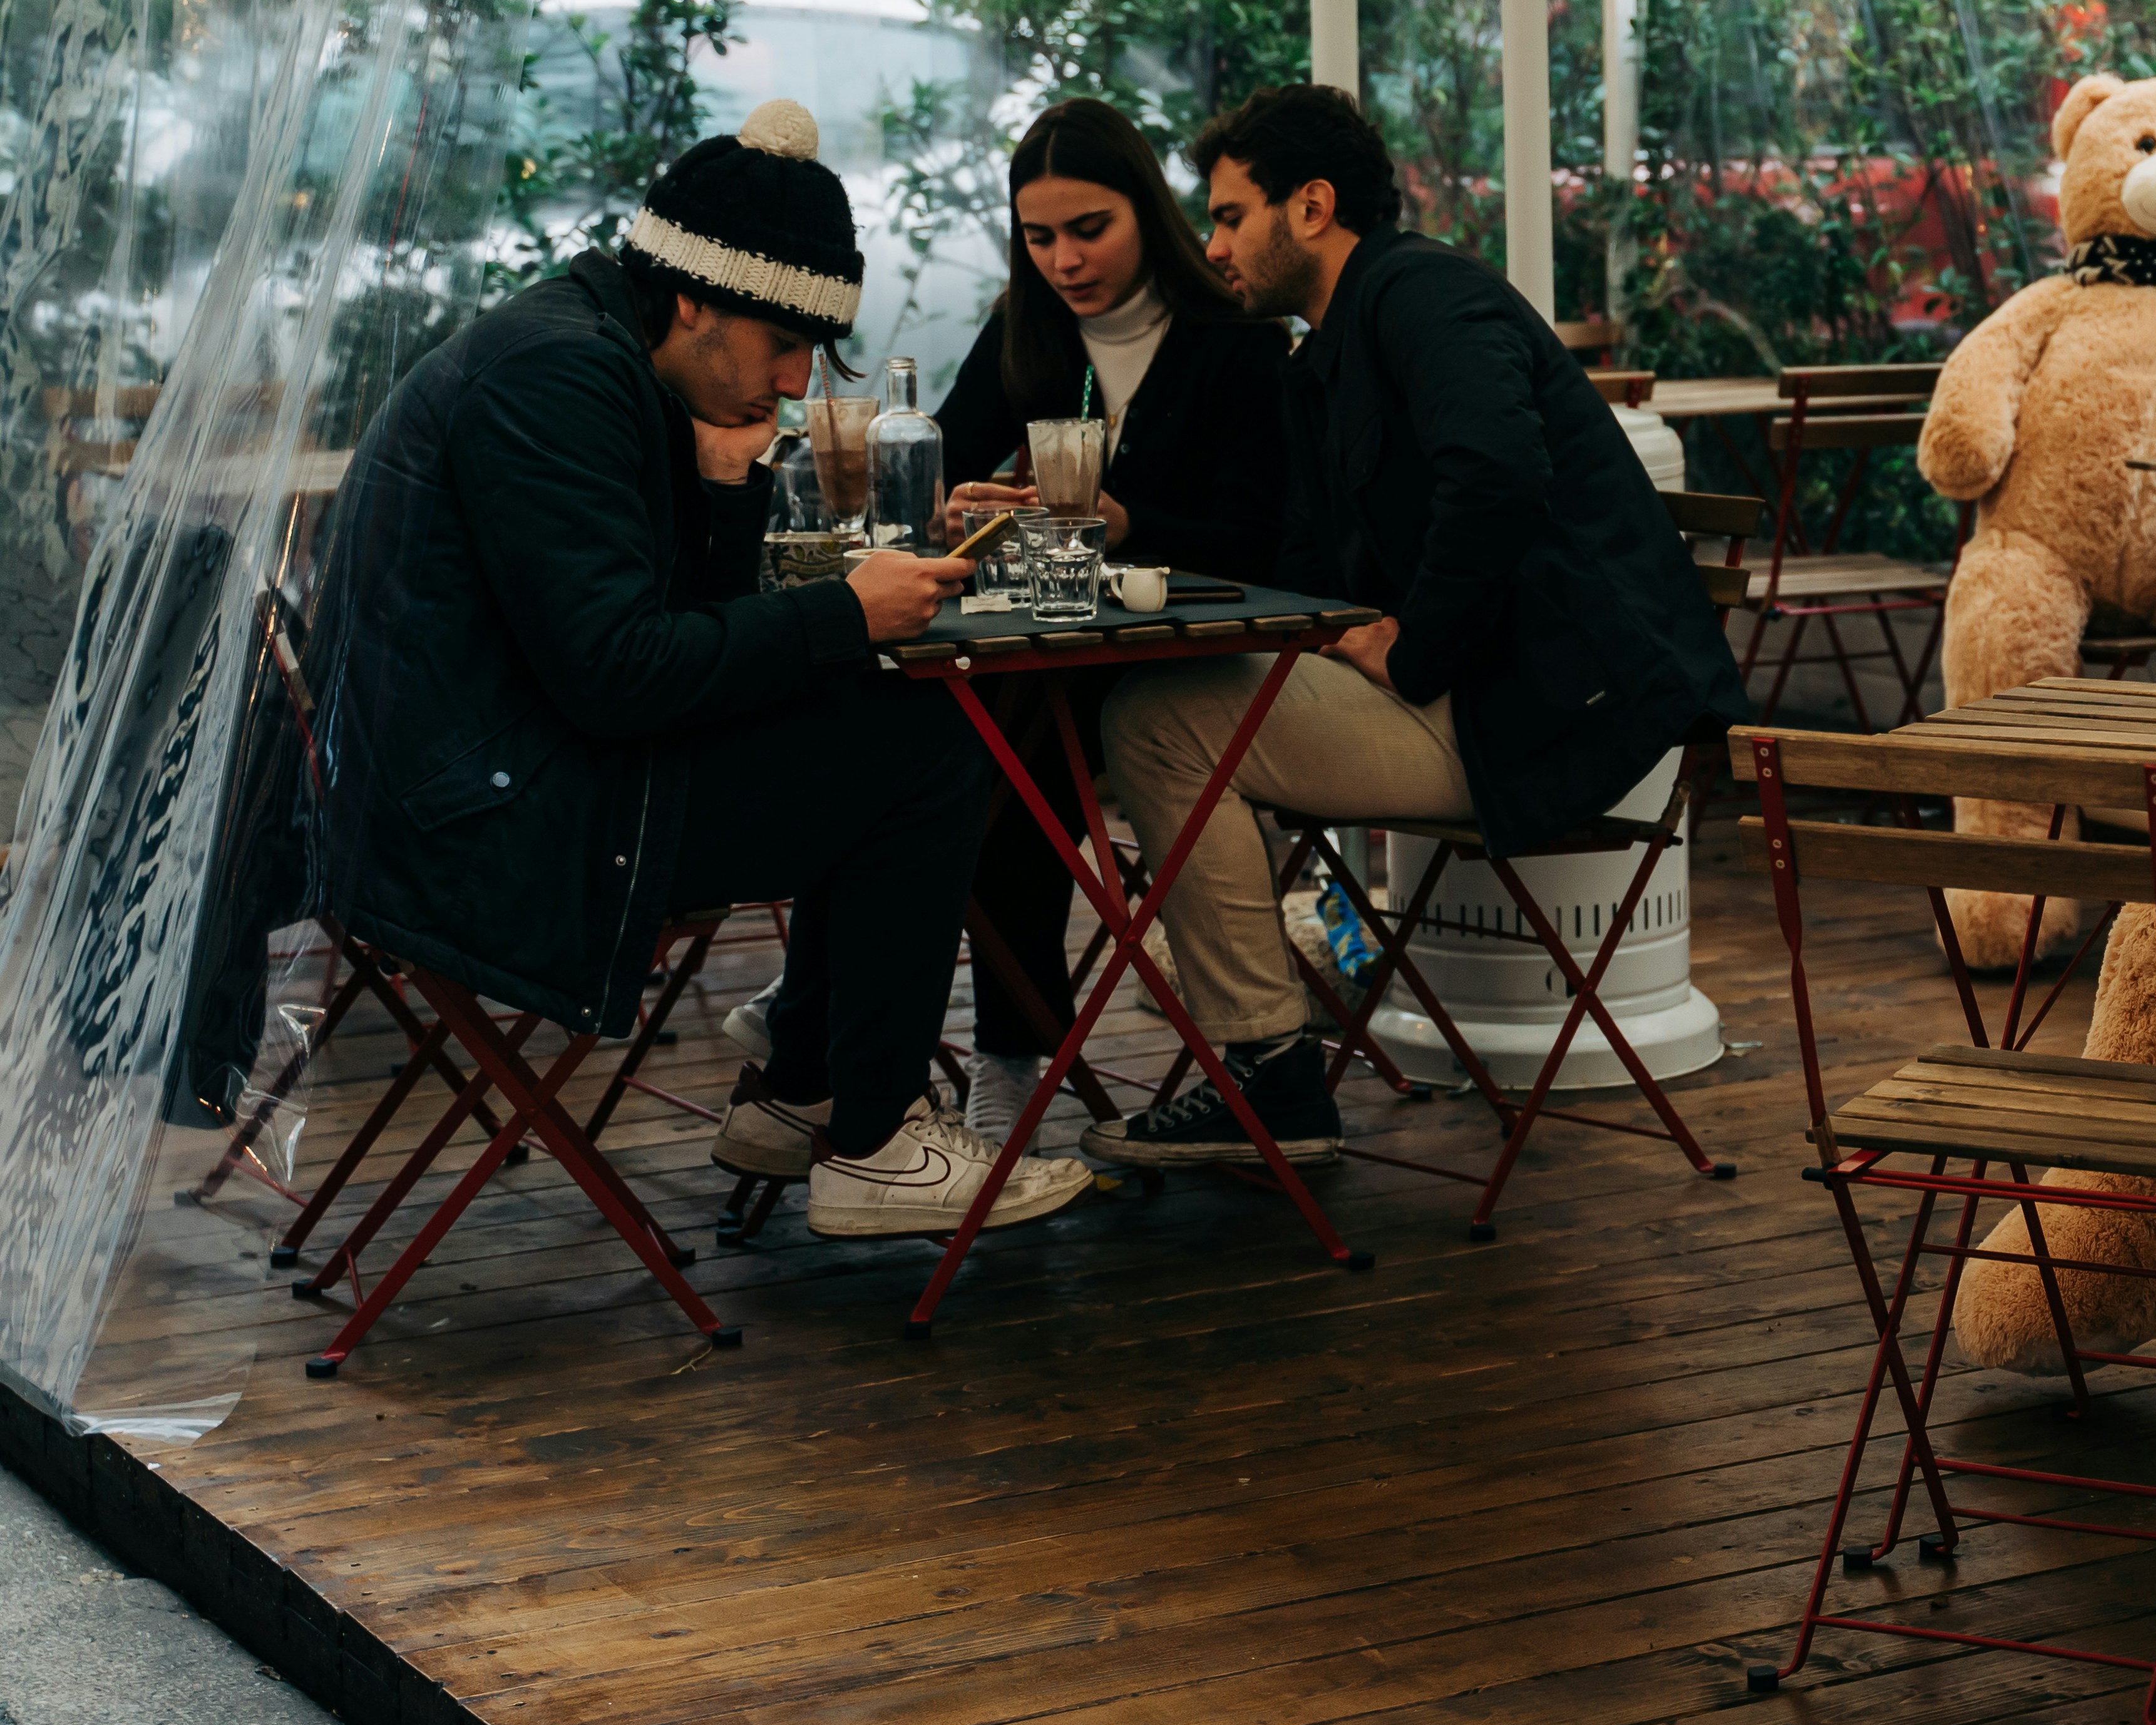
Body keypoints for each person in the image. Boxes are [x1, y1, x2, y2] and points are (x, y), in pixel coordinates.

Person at [307, 99, 1095, 1238]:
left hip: (485, 776)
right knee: (920, 752)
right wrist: (844, 611)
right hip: (480, 827)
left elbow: (679, 624)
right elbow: (621, 673)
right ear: (692, 300)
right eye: (781, 346)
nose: (790, 383)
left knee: (864, 711)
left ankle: (804, 1095)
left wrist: (730, 496)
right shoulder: (558, 383)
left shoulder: (600, 356)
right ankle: (873, 1144)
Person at [1083, 84, 1750, 1169]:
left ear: (1311, 207)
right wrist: (1130, 531)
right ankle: (1269, 1065)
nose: (1212, 246)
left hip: (1539, 713)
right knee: (1157, 702)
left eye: (1230, 216)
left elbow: (1496, 480)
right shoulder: (1330, 343)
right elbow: (1300, 564)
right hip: (1488, 690)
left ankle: (1271, 1076)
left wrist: (1410, 647)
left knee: (1156, 722)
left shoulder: (1426, 296)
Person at [925, 98, 1290, 1145]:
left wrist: (1133, 520)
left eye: (1090, 230)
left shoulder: (1233, 338)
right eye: (1038, 237)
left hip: (1189, 659)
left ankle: (996, 1058)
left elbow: (1266, 538)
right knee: (939, 740)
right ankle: (850, 997)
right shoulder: (1029, 329)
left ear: (1149, 212)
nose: (1065, 261)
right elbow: (950, 453)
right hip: (1058, 644)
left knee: (1000, 763)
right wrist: (958, 500)